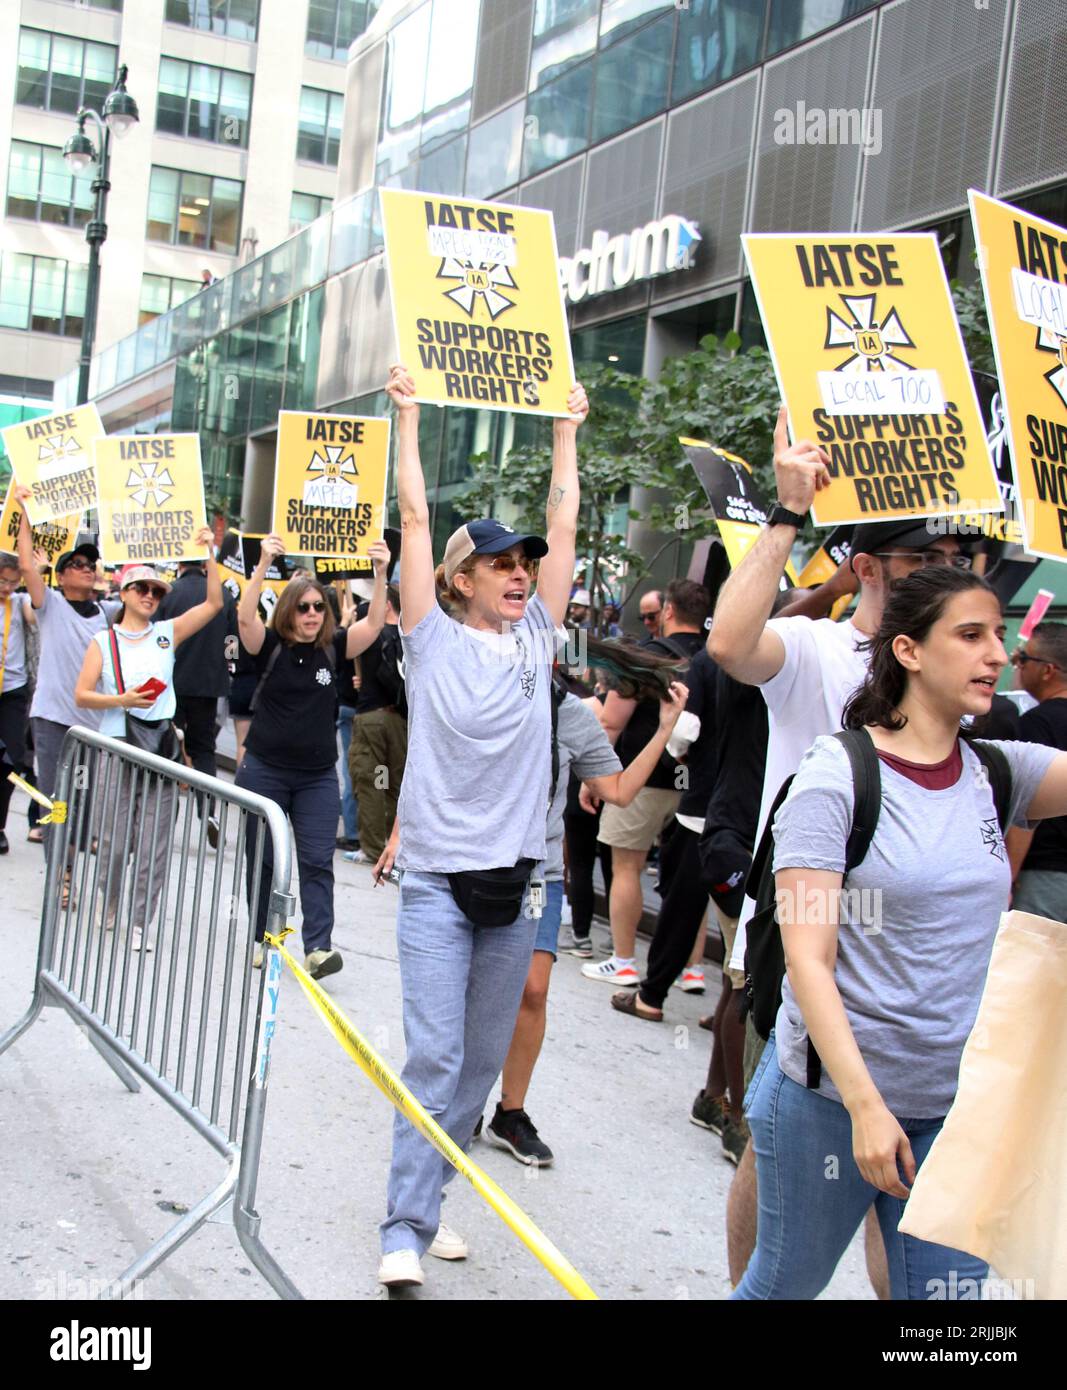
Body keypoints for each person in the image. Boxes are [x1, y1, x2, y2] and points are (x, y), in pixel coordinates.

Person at [734, 566, 1067, 1299]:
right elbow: (808, 962)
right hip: (829, 1103)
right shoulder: (837, 779)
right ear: (909, 651)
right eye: (971, 635)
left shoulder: (999, 772)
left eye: (1001, 638)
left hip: (955, 1109)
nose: (997, 656)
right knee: (781, 1288)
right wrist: (864, 1107)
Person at [705, 407, 977, 1292]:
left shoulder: (965, 681)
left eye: (954, 560)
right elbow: (728, 643)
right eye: (920, 562)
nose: (947, 574)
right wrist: (785, 516)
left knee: (902, 1194)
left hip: (916, 988)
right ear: (867, 568)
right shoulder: (821, 651)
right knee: (782, 1140)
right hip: (805, 946)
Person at [377, 362, 587, 1289]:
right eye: (500, 563)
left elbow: (569, 520)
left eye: (525, 565)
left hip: (518, 884)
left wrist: (565, 432)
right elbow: (415, 520)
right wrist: (411, 418)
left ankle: (430, 1201)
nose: (519, 574)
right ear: (458, 579)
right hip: (434, 881)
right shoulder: (430, 637)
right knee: (435, 1055)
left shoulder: (539, 636)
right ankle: (402, 1224)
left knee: (473, 1074)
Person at [484, 675, 688, 1165]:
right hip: (476, 864)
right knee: (481, 988)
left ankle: (510, 1112)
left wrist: (665, 729)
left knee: (532, 990)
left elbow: (616, 789)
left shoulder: (569, 711)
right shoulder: (482, 686)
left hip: (539, 873)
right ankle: (461, 1099)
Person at [236, 536, 389, 979]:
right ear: (288, 611)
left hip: (317, 778)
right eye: (302, 607)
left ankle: (318, 948)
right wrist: (264, 562)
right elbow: (245, 616)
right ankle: (264, 939)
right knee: (264, 858)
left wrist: (380, 573)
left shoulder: (334, 647)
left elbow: (376, 625)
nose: (311, 614)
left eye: (318, 607)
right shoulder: (269, 646)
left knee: (317, 861)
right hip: (264, 771)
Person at [73, 534, 222, 952]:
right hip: (117, 744)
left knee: (157, 844)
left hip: (160, 747)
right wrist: (122, 700)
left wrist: (210, 552)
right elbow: (81, 694)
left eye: (158, 590)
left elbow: (213, 605)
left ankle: (140, 920)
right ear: (125, 592)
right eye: (143, 588)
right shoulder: (103, 642)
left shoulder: (165, 634)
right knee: (116, 840)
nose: (151, 596)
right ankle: (111, 895)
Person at [581, 578, 710, 987]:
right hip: (696, 784)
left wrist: (594, 776)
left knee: (627, 866)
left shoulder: (649, 657)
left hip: (644, 777)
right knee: (691, 877)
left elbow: (611, 720)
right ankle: (691, 969)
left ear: (669, 612)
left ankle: (623, 960)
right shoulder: (714, 656)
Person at [13, 487, 119, 854]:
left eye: (92, 566)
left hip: (91, 725)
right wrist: (27, 512)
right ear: (60, 575)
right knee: (54, 797)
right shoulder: (51, 605)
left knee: (83, 798)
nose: (88, 570)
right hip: (53, 718)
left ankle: (68, 859)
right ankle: (60, 870)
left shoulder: (107, 614)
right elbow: (26, 566)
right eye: (78, 565)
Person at [158, 556, 238, 840]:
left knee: (167, 747)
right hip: (209, 683)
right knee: (204, 749)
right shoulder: (223, 595)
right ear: (205, 565)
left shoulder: (168, 593)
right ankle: (210, 812)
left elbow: (156, 638)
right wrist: (230, 667)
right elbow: (233, 641)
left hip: (171, 682)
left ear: (179, 563)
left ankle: (168, 813)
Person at [1007, 621, 1067, 920]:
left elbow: (1025, 808)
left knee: (1033, 965)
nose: (1016, 665)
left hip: (1046, 874)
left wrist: (1008, 875)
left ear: (1047, 670)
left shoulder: (1037, 722)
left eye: (1023, 659)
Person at [347, 584, 406, 866]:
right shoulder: (408, 637)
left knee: (371, 782)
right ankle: (390, 842)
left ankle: (372, 848)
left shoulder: (372, 634)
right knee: (390, 783)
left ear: (386, 606)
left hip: (372, 721)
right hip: (398, 723)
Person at [0, 550, 32, 853]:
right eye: (2, 581)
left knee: (11, 759)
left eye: (13, 582)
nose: (7, 587)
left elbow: (37, 611)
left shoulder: (19, 604)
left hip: (12, 690)